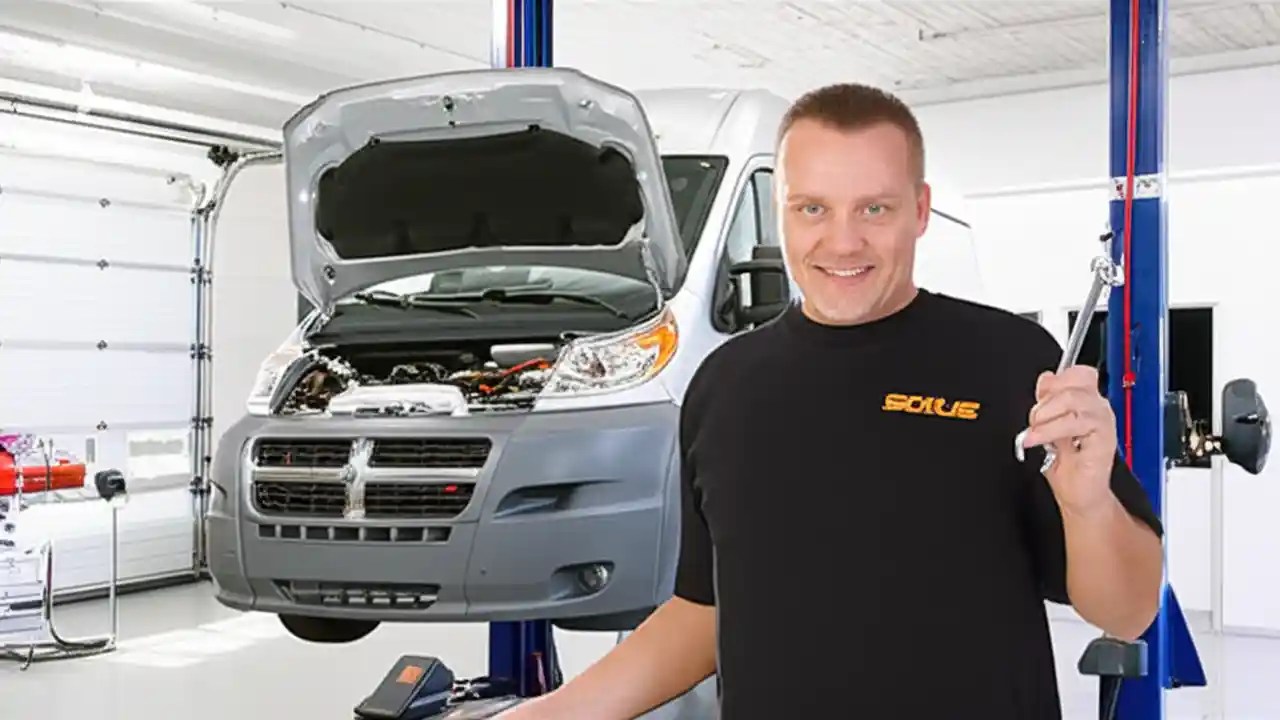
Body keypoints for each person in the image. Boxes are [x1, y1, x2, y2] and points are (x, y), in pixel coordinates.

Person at [498, 82, 1164, 719]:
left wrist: (1090, 504)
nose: (842, 241)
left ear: (920, 209)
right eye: (812, 208)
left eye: (874, 208)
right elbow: (706, 612)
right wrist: (546, 714)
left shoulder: (1012, 362)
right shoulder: (724, 386)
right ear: (782, 208)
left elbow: (1126, 611)